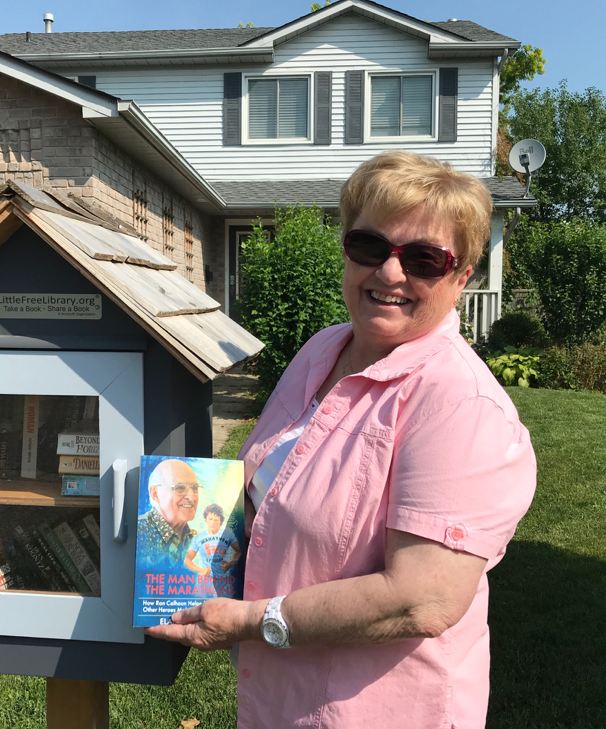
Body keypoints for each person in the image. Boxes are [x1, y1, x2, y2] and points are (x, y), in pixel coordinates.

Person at [146, 151, 537, 729]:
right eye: (370, 247)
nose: (390, 273)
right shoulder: (322, 349)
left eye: (425, 259)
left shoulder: (461, 407)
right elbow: (262, 495)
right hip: (281, 698)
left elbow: (421, 598)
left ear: (462, 277)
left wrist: (253, 621)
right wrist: (162, 536)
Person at [136, 459, 201, 570]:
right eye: (180, 488)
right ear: (155, 494)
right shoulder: (138, 532)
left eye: (195, 488)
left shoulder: (197, 539)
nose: (191, 497)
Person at [184, 504, 242, 587]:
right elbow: (187, 560)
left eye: (216, 520)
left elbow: (239, 551)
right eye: (210, 519)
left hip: (224, 583)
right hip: (204, 583)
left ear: (221, 521)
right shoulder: (199, 537)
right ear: (205, 519)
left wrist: (230, 563)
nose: (212, 523)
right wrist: (200, 569)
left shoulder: (228, 534)